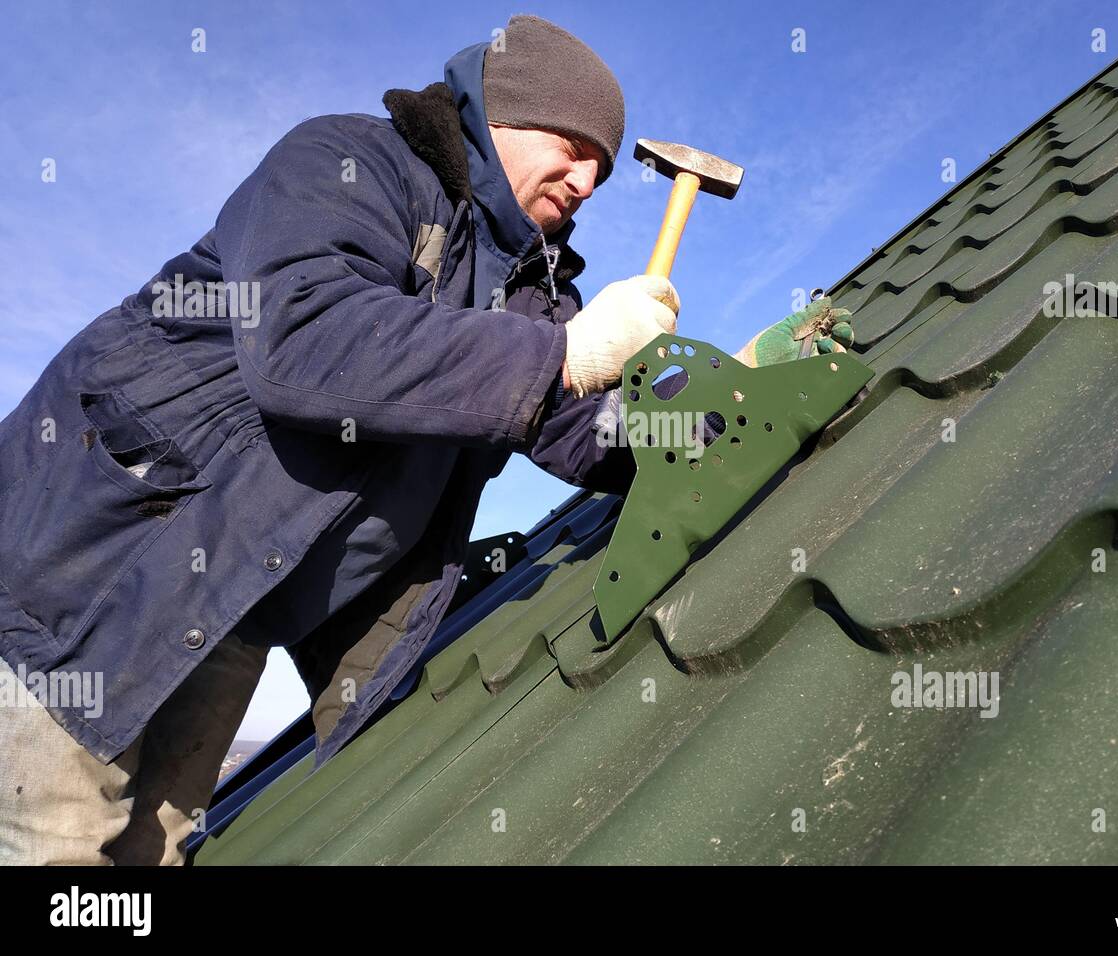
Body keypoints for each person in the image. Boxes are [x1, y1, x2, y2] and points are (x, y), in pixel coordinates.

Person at [0, 14, 679, 865]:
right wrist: (566, 354)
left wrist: (699, 407)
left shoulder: (527, 290)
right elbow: (305, 340)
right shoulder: (349, 162)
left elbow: (581, 431)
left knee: (150, 857)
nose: (586, 181)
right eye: (573, 146)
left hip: (238, 609)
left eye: (603, 171)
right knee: (62, 856)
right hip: (95, 563)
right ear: (500, 112)